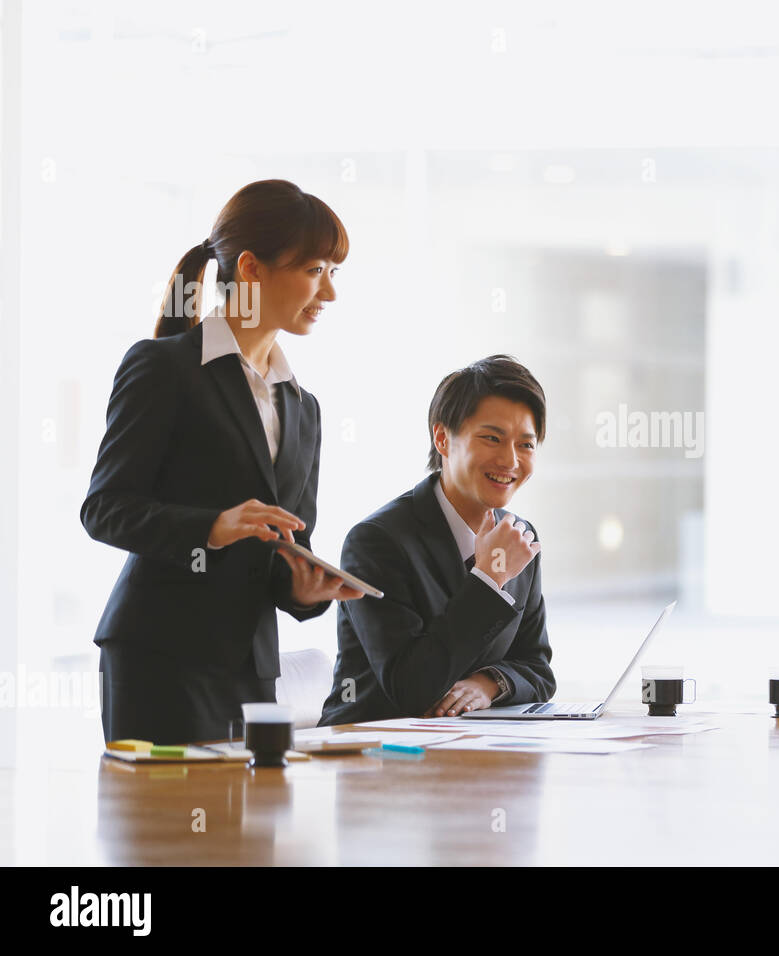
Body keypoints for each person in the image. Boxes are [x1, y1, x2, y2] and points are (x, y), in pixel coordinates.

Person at [82, 180, 363, 745]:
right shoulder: (164, 368)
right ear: (254, 270)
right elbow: (105, 509)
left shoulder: (303, 408)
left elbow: (287, 546)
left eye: (334, 273)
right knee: (167, 831)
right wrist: (212, 527)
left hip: (252, 672)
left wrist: (304, 590)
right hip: (160, 660)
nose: (328, 293)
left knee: (248, 833)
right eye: (315, 270)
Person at [318, 355, 556, 725]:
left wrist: (488, 684)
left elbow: (538, 669)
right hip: (374, 756)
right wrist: (488, 579)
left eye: (525, 445)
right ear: (443, 438)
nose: (510, 460)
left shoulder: (519, 537)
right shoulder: (375, 543)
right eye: (492, 438)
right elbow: (411, 688)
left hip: (475, 754)